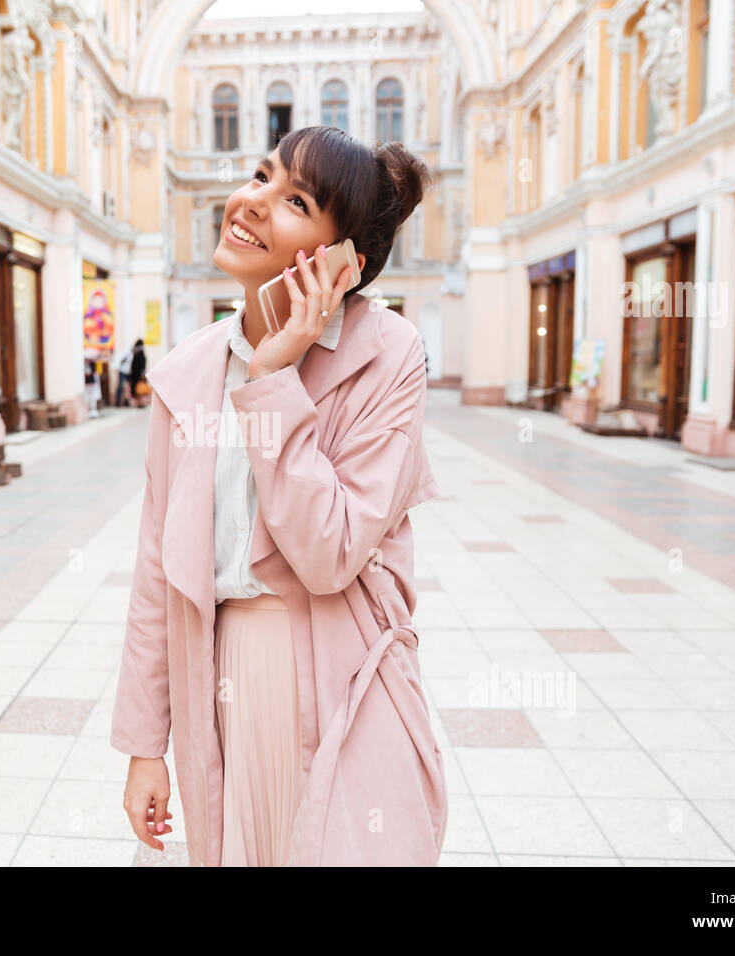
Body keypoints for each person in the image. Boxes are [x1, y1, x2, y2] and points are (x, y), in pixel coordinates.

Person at [110, 126, 446, 866]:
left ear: (343, 261)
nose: (253, 202)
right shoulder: (188, 372)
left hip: (339, 677)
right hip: (217, 676)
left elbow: (329, 552)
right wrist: (144, 746)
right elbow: (155, 578)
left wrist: (272, 379)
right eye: (260, 176)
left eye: (293, 199)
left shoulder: (386, 357)